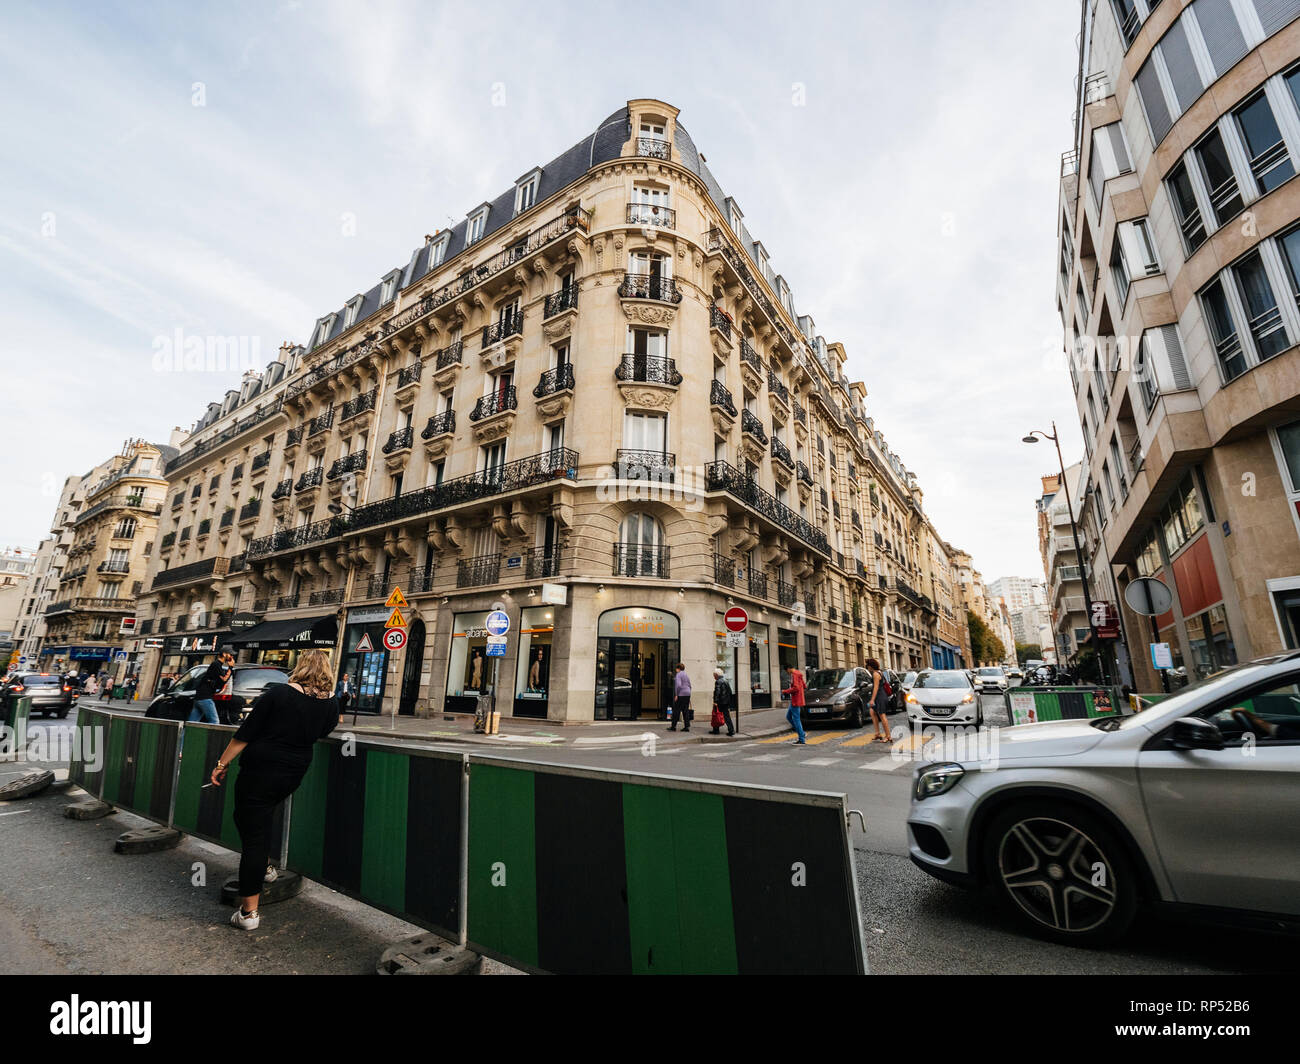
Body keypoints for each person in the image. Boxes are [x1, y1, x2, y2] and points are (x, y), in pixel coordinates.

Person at [210, 649, 340, 931]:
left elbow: (246, 732)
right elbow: (323, 732)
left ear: (300, 666)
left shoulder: (279, 694)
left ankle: (248, 913)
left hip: (261, 768)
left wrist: (221, 763)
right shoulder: (331, 703)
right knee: (255, 820)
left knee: (253, 833)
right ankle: (266, 867)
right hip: (294, 771)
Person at [190, 650, 233, 725]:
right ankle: (210, 737)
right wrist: (231, 667)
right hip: (205, 698)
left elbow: (220, 683)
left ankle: (183, 737)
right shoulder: (216, 664)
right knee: (215, 722)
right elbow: (223, 680)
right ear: (224, 654)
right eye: (230, 654)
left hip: (200, 697)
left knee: (192, 723)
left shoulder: (217, 665)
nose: (231, 656)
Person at [864, 657, 892, 744]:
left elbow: (876, 688)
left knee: (882, 716)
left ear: (871, 666)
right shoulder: (879, 672)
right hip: (880, 696)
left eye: (867, 665)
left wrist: (872, 700)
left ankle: (888, 736)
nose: (867, 667)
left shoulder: (876, 674)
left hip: (880, 697)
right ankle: (877, 734)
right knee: (872, 712)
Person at [781, 664, 807, 745]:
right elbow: (804, 686)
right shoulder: (798, 673)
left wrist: (785, 691)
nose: (787, 672)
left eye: (786, 671)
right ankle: (802, 733)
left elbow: (796, 688)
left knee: (796, 719)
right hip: (797, 699)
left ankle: (801, 739)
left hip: (796, 700)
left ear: (788, 669)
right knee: (789, 717)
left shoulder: (794, 675)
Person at [667, 662, 692, 732]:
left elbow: (678, 685)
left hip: (681, 694)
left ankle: (673, 726)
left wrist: (676, 694)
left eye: (676, 668)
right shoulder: (686, 675)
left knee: (676, 710)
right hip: (687, 693)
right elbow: (690, 685)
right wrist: (689, 693)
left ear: (678, 669)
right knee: (685, 710)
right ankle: (687, 726)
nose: (675, 670)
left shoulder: (678, 675)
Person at [711, 667, 735, 736]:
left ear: (716, 675)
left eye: (714, 675)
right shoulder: (726, 680)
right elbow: (730, 691)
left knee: (715, 715)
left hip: (720, 702)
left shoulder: (718, 681)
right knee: (726, 716)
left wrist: (715, 701)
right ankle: (731, 730)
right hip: (726, 702)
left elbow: (717, 692)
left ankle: (716, 730)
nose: (713, 676)